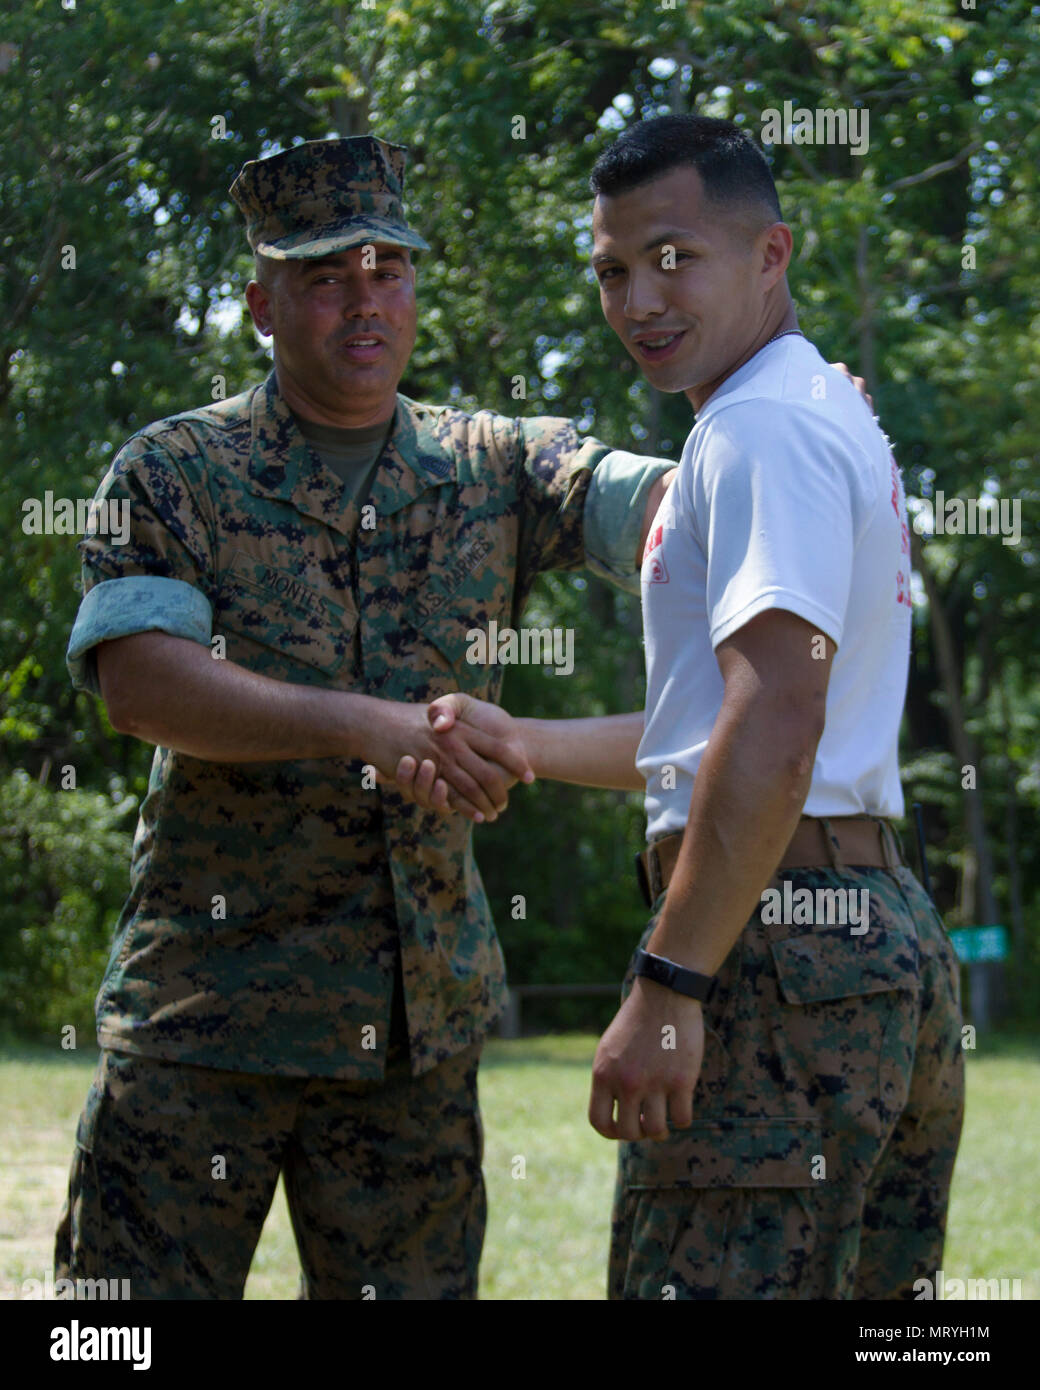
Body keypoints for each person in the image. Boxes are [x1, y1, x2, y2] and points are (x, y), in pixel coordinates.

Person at [54, 134, 678, 1300]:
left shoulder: (490, 463)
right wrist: (364, 725)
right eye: (326, 273)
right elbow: (142, 681)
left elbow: (650, 504)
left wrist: (775, 425)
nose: (364, 298)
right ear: (260, 301)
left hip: (412, 1034)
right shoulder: (176, 471)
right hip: (205, 1017)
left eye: (387, 267)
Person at [396, 114, 964, 1301]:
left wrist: (672, 981)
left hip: (774, 954)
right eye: (610, 268)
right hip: (868, 928)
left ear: (771, 255)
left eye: (672, 257)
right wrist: (531, 745)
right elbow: (730, 734)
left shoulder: (759, 427)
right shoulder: (821, 413)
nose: (636, 299)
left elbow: (773, 727)